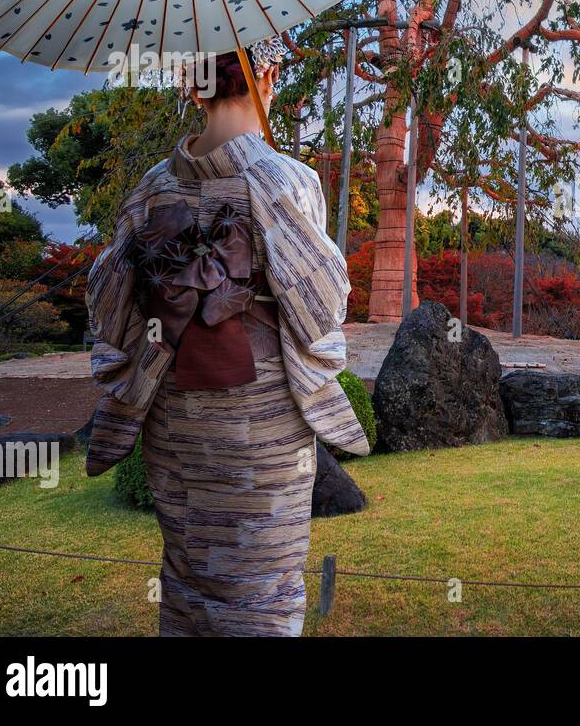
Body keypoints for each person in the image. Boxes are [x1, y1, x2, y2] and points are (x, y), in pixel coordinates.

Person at [83, 38, 369, 636]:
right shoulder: (287, 179)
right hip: (261, 423)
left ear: (192, 85)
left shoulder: (151, 189)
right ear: (267, 74)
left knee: (186, 579)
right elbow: (320, 309)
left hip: (174, 419)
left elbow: (110, 308)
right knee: (261, 587)